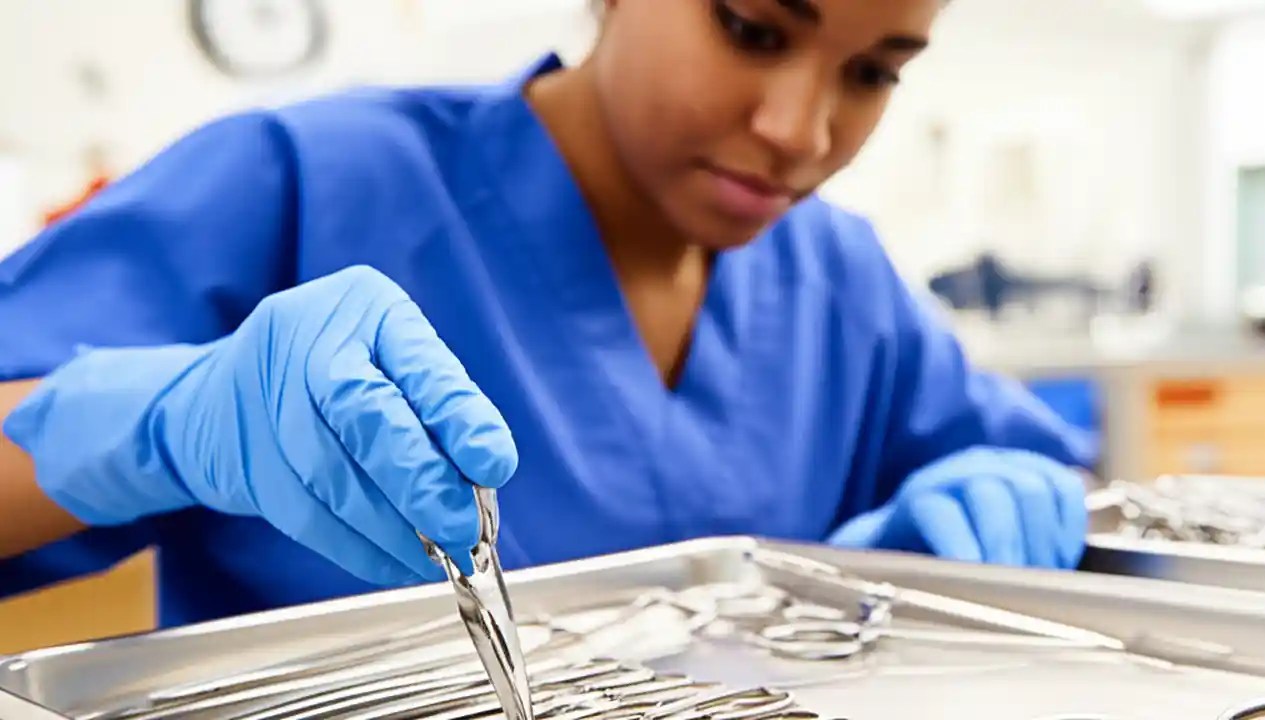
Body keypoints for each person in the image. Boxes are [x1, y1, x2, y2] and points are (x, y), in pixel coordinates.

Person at [0, 0, 1097, 629]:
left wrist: (965, 542)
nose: (799, 130)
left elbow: (1037, 483)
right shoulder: (304, 180)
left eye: (870, 73)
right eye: (754, 28)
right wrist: (154, 423)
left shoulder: (838, 278)